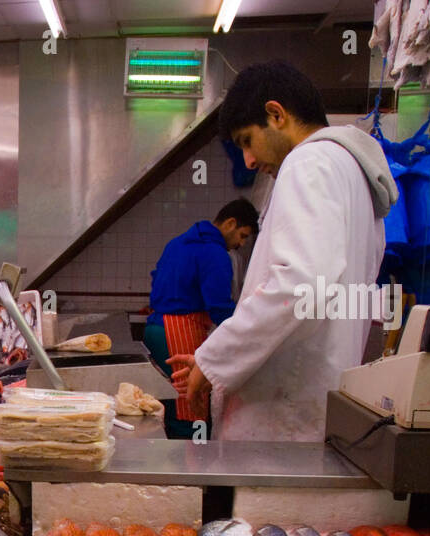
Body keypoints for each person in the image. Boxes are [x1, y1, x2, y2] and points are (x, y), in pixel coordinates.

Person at [171, 62, 398, 442]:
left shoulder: (308, 162)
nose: (249, 161)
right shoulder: (352, 175)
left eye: (246, 141)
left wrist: (215, 360)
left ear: (276, 115)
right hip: (314, 409)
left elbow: (300, 284)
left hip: (282, 422)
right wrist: (220, 357)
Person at [142, 198, 258, 438]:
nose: (241, 243)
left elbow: (156, 277)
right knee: (191, 401)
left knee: (177, 397)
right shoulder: (214, 253)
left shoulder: (178, 242)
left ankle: (173, 459)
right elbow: (218, 306)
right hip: (178, 329)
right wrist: (246, 333)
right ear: (230, 223)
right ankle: (191, 466)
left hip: (156, 327)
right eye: (243, 235)